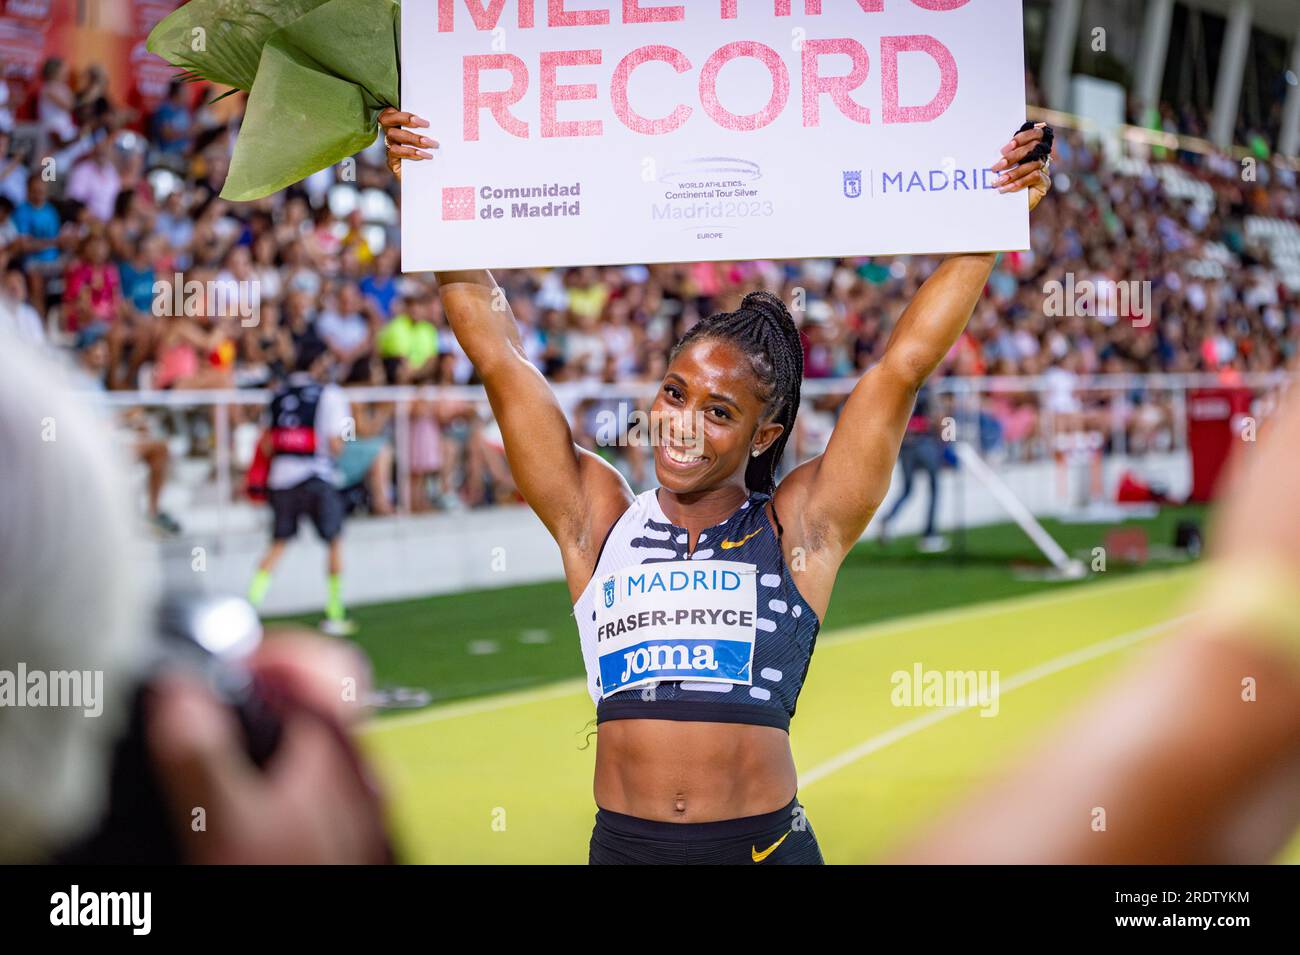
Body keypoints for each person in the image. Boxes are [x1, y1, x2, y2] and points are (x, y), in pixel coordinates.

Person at [383, 108, 1053, 864]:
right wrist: (431, 199)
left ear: (764, 434)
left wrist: (996, 222)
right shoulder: (596, 518)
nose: (683, 424)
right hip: (624, 851)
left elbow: (900, 367)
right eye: (674, 393)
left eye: (720, 411)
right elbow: (502, 360)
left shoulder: (800, 527)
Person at [248, 339, 358, 637]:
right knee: (334, 541)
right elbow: (337, 443)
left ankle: (250, 607)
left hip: (281, 479)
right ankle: (335, 612)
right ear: (318, 362)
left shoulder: (277, 393)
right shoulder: (331, 395)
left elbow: (268, 443)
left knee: (278, 543)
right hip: (316, 476)